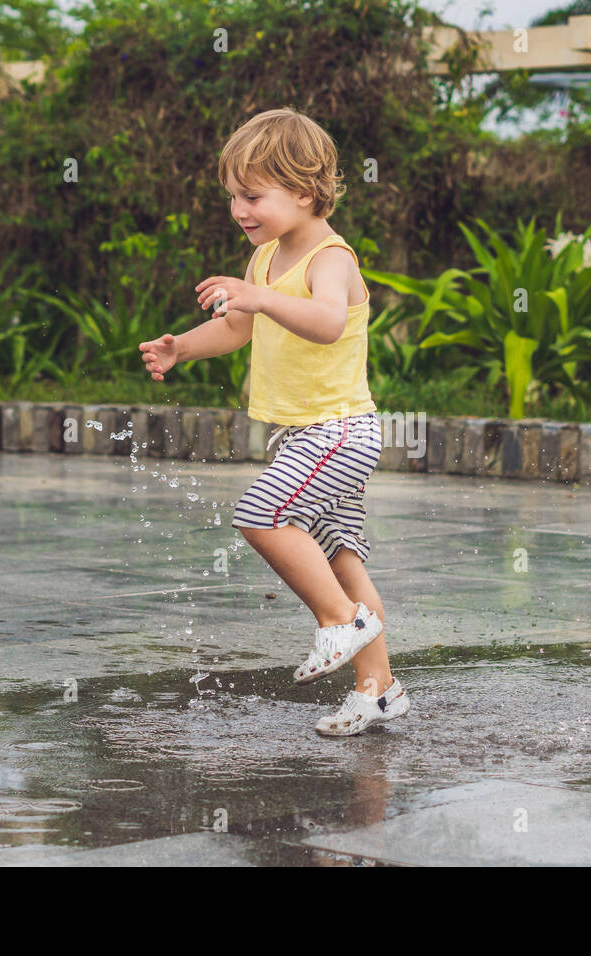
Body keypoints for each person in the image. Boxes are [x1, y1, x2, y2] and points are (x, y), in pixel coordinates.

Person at [137, 108, 408, 737]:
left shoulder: (329, 258)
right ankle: (380, 689)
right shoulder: (263, 262)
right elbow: (236, 327)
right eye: (233, 195)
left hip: (338, 430)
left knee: (262, 515)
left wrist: (260, 297)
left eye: (253, 195)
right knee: (341, 557)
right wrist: (184, 347)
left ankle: (339, 623)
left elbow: (328, 322)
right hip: (310, 434)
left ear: (306, 193)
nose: (239, 209)